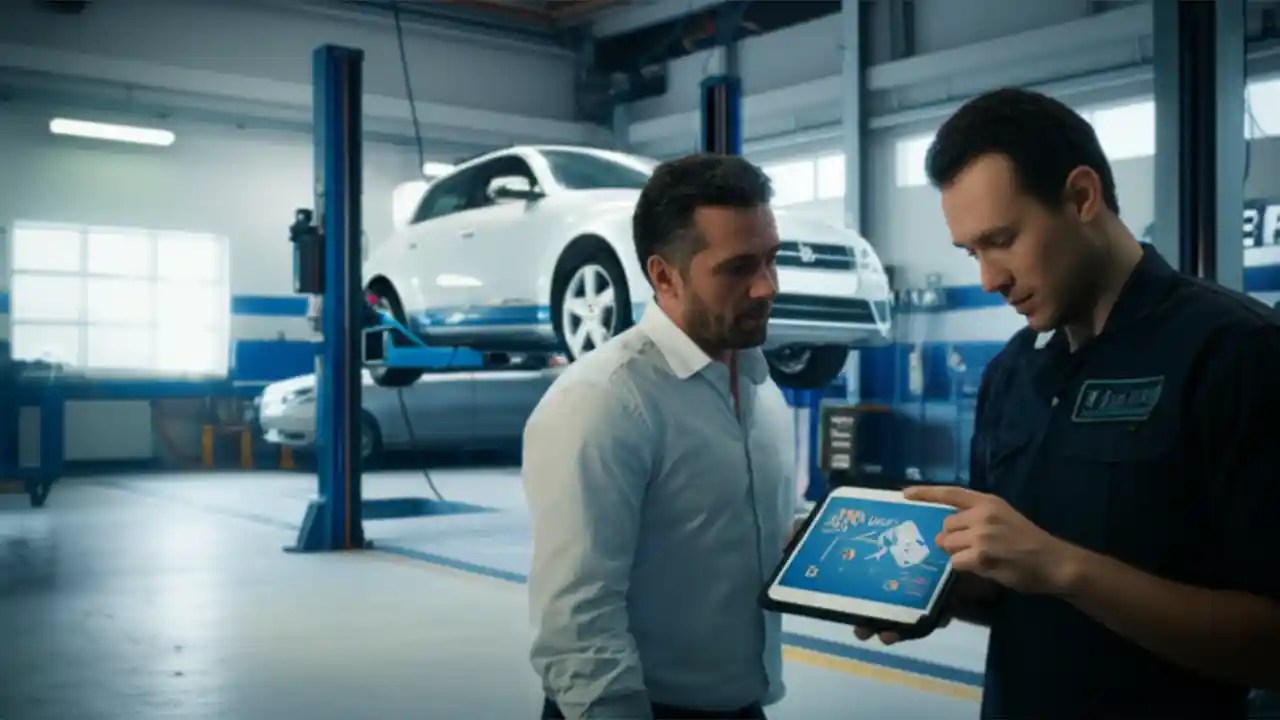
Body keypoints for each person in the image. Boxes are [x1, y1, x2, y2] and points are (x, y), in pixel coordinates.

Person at [854, 87, 1280, 719]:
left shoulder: (1236, 355)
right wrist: (933, 595)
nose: (988, 279)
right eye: (972, 252)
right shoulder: (1012, 375)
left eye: (1002, 239)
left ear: (1082, 197)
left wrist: (1062, 567)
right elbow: (1011, 586)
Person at [521, 153, 799, 720]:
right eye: (738, 268)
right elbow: (578, 612)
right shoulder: (603, 401)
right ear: (663, 275)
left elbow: (745, 537)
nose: (766, 287)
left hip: (742, 704)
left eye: (772, 259)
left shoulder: (760, 390)